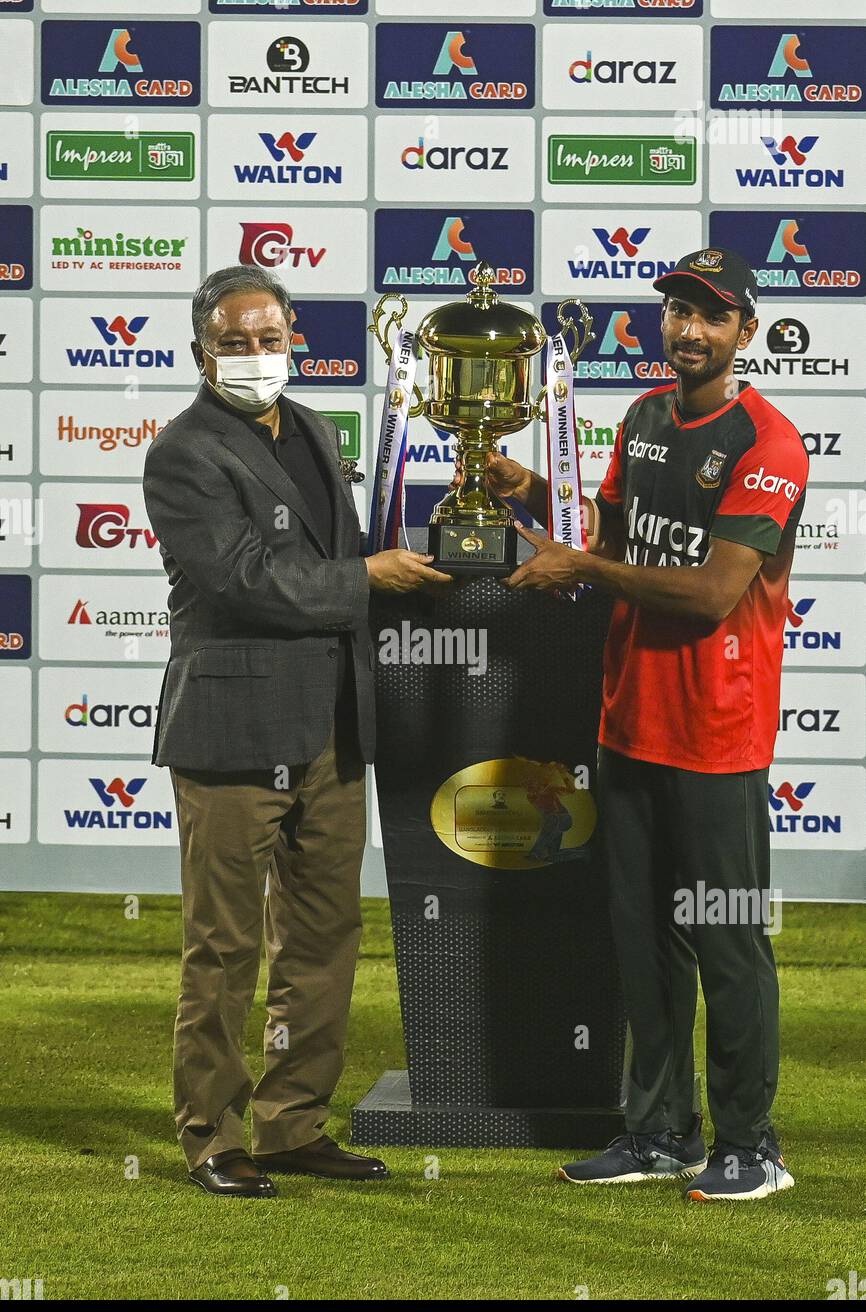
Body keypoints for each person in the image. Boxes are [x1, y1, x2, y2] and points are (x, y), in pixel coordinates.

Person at [476, 248, 808, 1201]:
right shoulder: (644, 416)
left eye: (711, 315)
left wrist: (582, 569)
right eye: (676, 312)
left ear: (746, 331)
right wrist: (524, 490)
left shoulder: (768, 444)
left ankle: (752, 1145)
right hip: (629, 726)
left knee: (729, 942)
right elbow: (613, 533)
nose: (688, 329)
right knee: (646, 939)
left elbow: (709, 595)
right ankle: (658, 1130)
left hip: (717, 738)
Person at [143, 265, 450, 1197]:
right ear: (202, 349)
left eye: (268, 337)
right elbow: (247, 581)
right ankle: (212, 1137)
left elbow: (338, 554)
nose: (254, 354)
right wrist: (371, 579)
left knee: (323, 937)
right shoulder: (183, 452)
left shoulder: (314, 427)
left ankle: (292, 1123)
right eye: (233, 341)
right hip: (233, 731)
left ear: (295, 338)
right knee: (226, 945)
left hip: (331, 729)